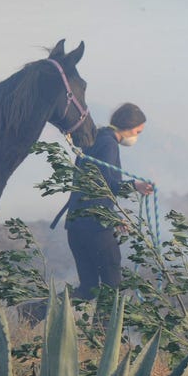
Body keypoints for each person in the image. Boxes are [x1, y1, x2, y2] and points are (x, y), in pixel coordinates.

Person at [53, 102, 153, 298]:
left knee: (88, 289)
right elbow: (106, 184)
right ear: (129, 127)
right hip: (96, 228)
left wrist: (116, 212)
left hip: (75, 225)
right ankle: (104, 329)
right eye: (138, 132)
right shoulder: (108, 144)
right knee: (111, 286)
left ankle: (33, 312)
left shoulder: (95, 138)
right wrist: (135, 186)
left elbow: (93, 185)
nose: (136, 137)